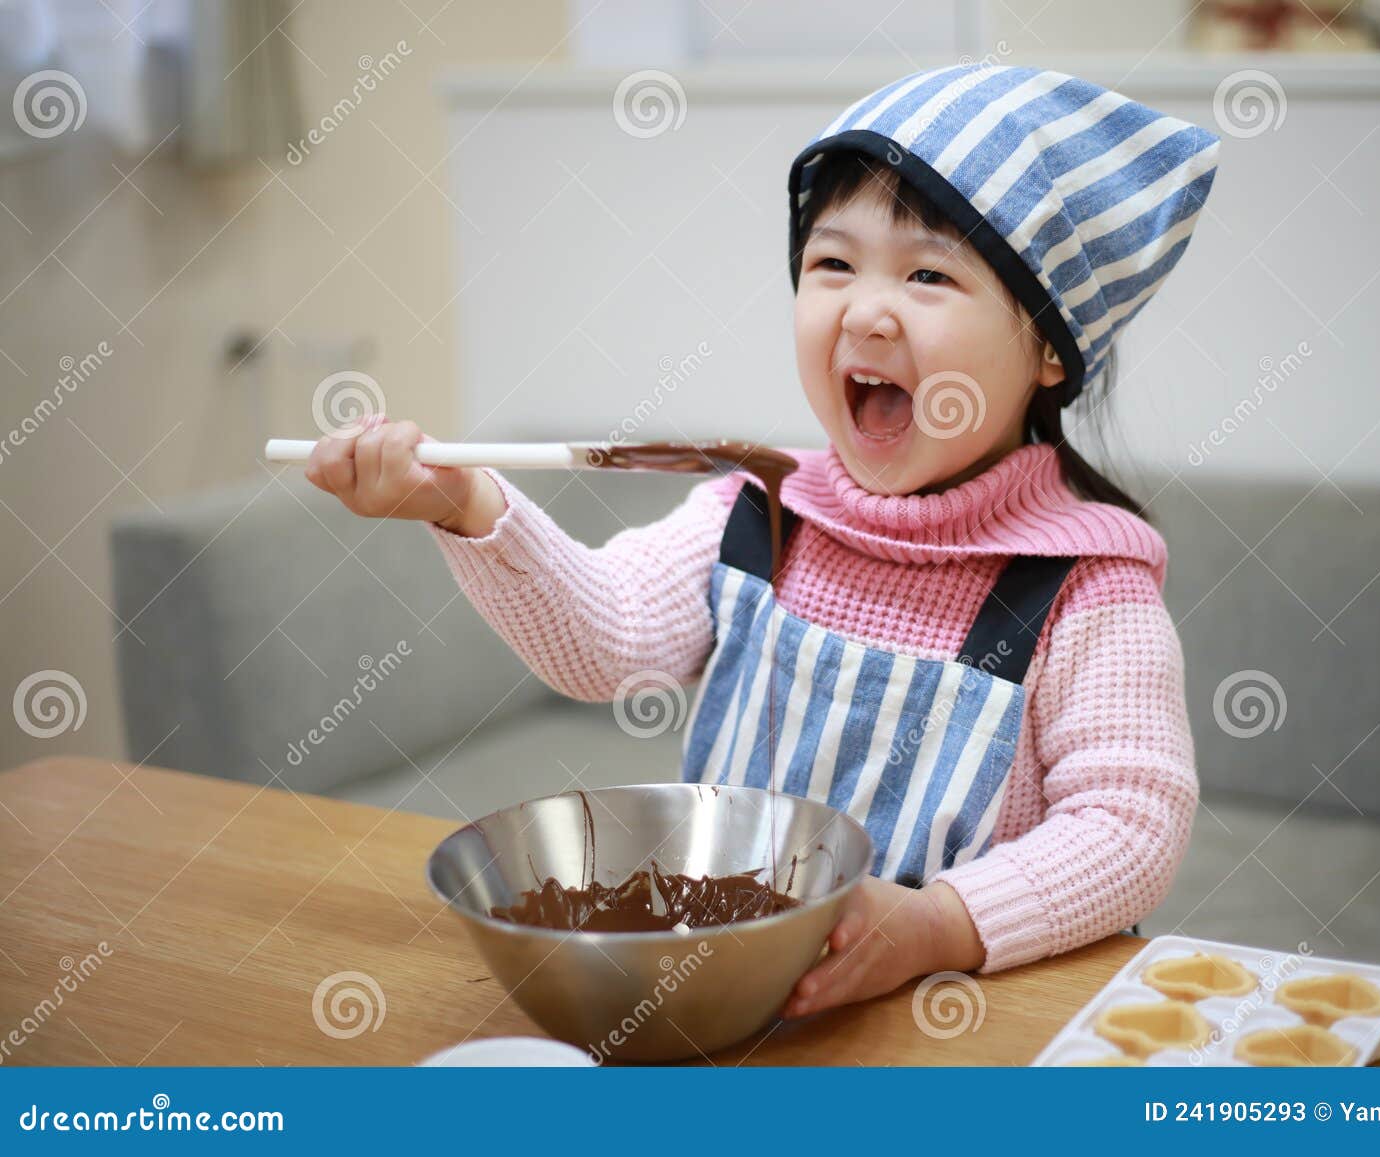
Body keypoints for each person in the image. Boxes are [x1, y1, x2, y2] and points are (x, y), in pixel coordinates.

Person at [303, 64, 1221, 1021]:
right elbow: (608, 641)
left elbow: (1129, 828)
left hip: (955, 1022)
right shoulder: (762, 512)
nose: (865, 310)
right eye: (833, 264)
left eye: (929, 274)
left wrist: (936, 925)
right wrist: (465, 504)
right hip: (732, 1006)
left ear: (1049, 349)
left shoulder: (1084, 587)